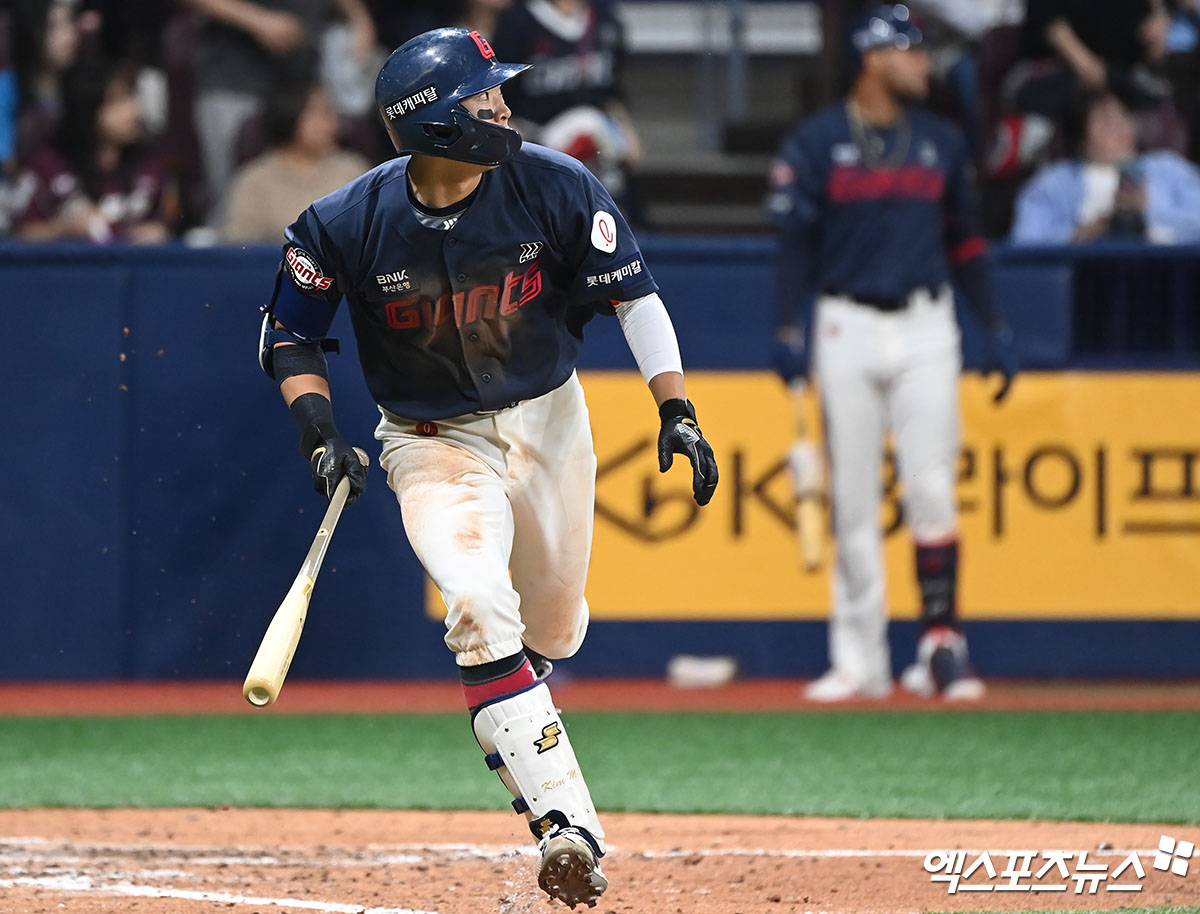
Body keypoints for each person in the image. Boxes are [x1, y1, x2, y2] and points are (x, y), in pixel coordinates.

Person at [257, 27, 718, 906]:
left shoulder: (551, 181)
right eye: (483, 98)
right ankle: (566, 828)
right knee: (475, 605)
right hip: (432, 443)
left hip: (550, 419)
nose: (502, 108)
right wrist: (320, 433)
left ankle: (521, 724)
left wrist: (677, 407)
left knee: (553, 627)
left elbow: (633, 294)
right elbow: (289, 336)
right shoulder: (344, 221)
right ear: (434, 125)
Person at [765, 4, 1016, 702]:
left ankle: (942, 643)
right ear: (874, 57)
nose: (922, 64)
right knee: (851, 500)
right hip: (845, 320)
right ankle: (859, 659)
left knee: (931, 486)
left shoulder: (941, 139)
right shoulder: (816, 143)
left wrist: (995, 324)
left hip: (928, 325)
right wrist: (789, 332)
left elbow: (966, 240)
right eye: (911, 51)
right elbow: (794, 249)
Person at [11, 57, 172, 242]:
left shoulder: (149, 165)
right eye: (116, 101)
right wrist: (61, 228)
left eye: (132, 96)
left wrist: (156, 232)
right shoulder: (46, 166)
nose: (133, 109)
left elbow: (165, 222)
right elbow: (21, 234)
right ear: (87, 109)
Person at [1009, 89, 1200, 244]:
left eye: (1124, 117)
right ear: (1082, 139)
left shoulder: (1169, 169)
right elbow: (1025, 242)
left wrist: (1147, 213)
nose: (1122, 127)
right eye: (1107, 122)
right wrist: (1082, 234)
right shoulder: (1053, 183)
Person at [222, 80, 370, 242]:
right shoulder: (255, 180)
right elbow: (238, 246)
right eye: (322, 113)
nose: (333, 123)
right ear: (290, 115)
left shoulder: (353, 171)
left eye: (332, 113)